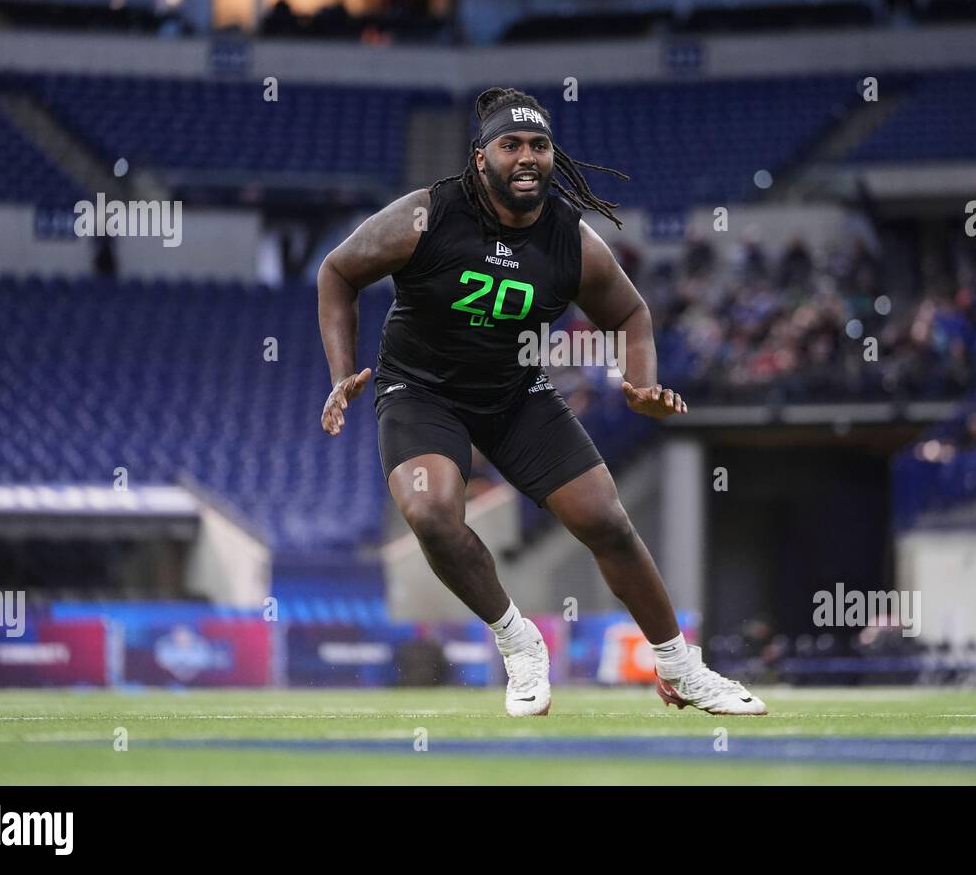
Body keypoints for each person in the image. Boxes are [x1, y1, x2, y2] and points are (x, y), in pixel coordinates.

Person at [317, 87, 765, 716]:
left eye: (539, 144)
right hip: (420, 391)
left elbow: (632, 313)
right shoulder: (426, 215)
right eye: (511, 144)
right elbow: (337, 271)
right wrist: (341, 372)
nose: (526, 156)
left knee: (605, 520)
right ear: (481, 158)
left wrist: (639, 384)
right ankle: (518, 643)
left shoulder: (571, 241)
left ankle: (680, 668)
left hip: (514, 391)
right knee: (431, 513)